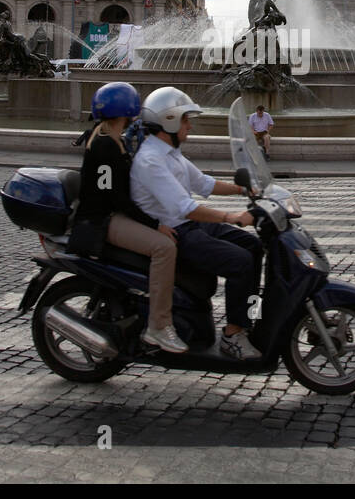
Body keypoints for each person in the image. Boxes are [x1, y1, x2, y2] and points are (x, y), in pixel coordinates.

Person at [131, 87, 264, 360]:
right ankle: (232, 335)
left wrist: (245, 189)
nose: (190, 125)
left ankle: (251, 317)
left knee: (253, 246)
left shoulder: (170, 151)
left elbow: (203, 183)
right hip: (177, 233)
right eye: (185, 119)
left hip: (189, 226)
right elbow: (185, 208)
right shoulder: (150, 160)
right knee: (240, 262)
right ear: (168, 121)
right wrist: (231, 217)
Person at [74, 82, 186, 353]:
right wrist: (154, 224)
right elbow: (114, 198)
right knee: (164, 247)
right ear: (128, 110)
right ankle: (158, 326)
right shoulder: (104, 146)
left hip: (111, 214)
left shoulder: (112, 140)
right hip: (103, 221)